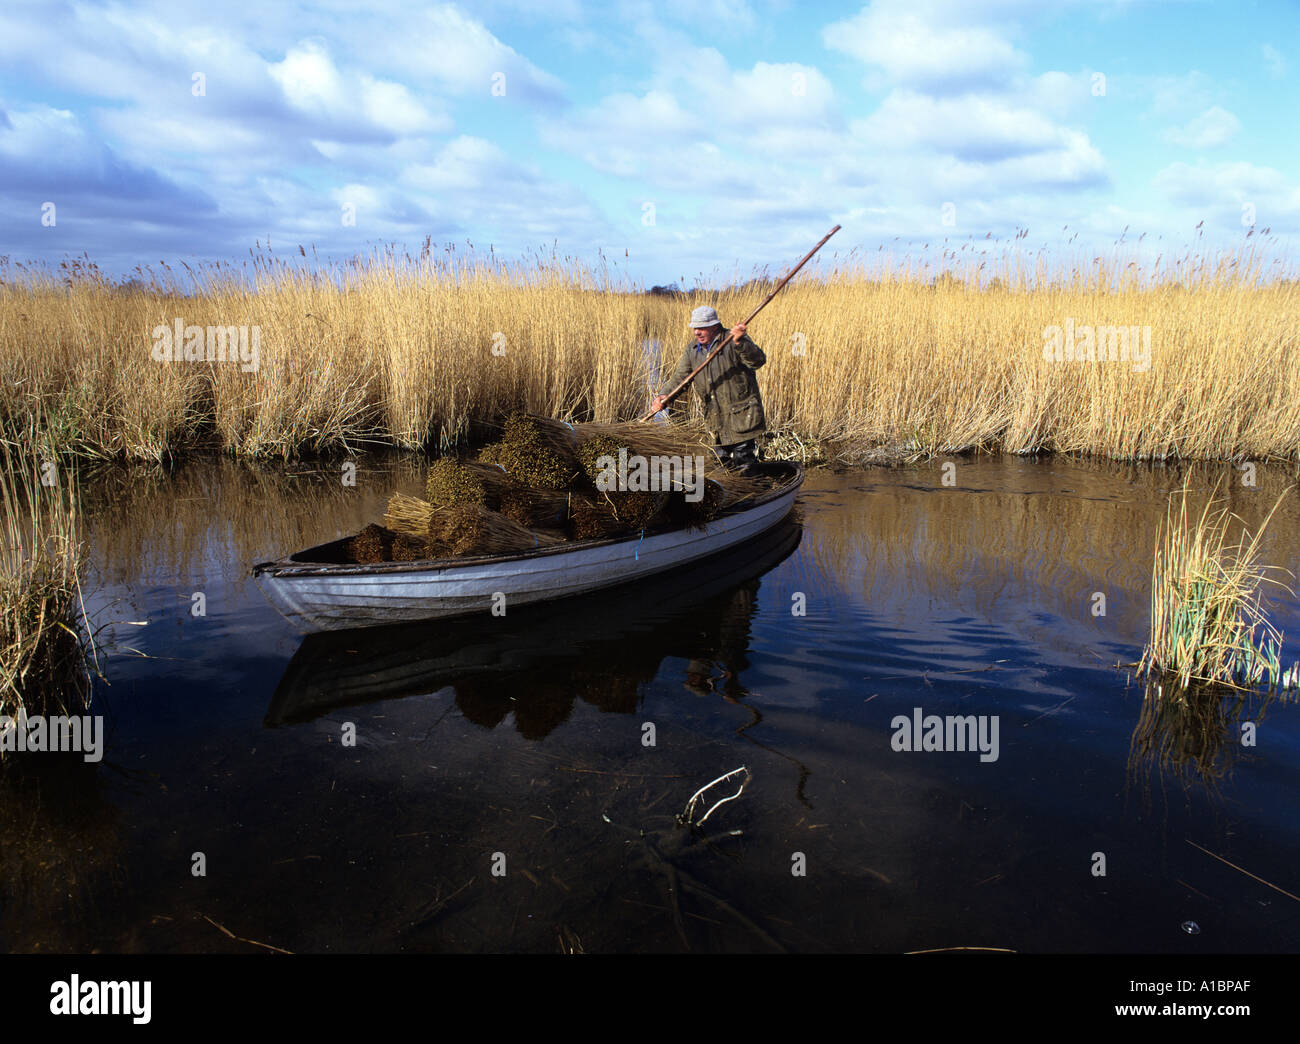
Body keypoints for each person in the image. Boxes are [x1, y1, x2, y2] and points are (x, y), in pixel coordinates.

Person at [649, 305, 766, 472]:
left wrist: (740, 342)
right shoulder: (692, 350)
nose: (697, 332)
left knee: (744, 462)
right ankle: (732, 494)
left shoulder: (733, 340)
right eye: (695, 328)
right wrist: (664, 395)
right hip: (715, 419)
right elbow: (680, 377)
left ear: (715, 326)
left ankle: (753, 493)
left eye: (702, 328)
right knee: (721, 464)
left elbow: (757, 361)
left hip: (742, 415)